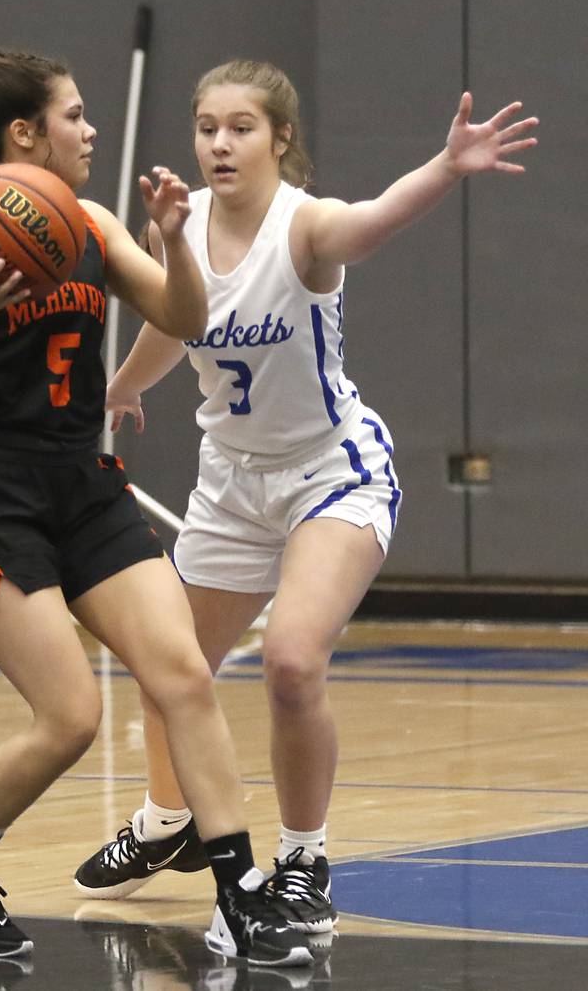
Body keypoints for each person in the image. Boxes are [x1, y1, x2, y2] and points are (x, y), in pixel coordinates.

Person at [74, 59, 538, 932]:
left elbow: (369, 223)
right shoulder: (186, 221)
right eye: (208, 126)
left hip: (332, 470)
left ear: (281, 140)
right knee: (166, 660)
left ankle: (302, 859)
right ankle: (168, 821)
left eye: (241, 127)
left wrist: (445, 167)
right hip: (232, 484)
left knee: (290, 661)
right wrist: (124, 386)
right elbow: (178, 319)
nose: (220, 143)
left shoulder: (306, 227)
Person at [0, 45, 314, 968]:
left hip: (81, 479)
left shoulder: (88, 221)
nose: (91, 130)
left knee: (183, 673)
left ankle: (241, 896)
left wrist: (171, 245)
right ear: (25, 133)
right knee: (71, 718)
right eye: (75, 116)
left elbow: (185, 317)